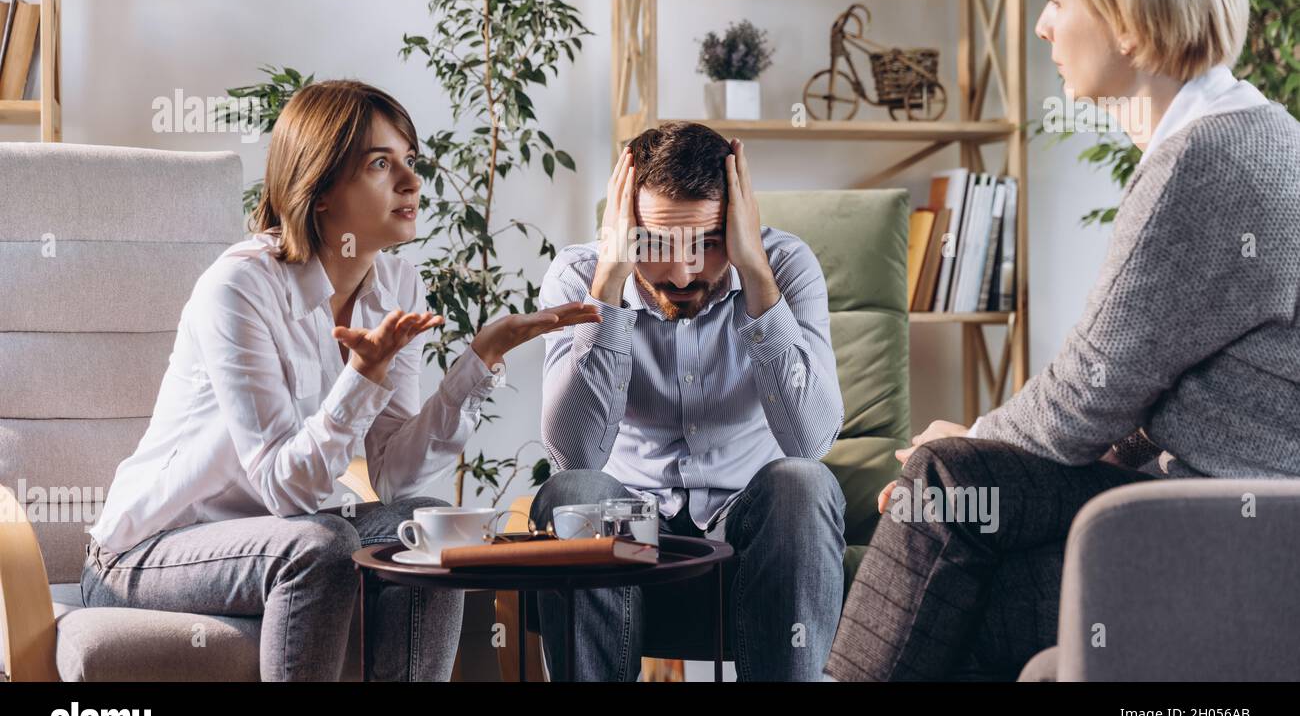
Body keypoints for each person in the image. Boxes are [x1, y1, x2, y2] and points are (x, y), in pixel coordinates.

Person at [826, 0, 1300, 681]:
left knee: (943, 498)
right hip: (1201, 515)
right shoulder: (1257, 132)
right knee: (947, 523)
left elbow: (1088, 396)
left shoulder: (1200, 163)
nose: (1043, 24)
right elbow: (1133, 388)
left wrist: (969, 437)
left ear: (1126, 22)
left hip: (1216, 541)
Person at [83, 79, 599, 681]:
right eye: (381, 164)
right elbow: (287, 492)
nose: (411, 182)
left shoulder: (399, 287)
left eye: (410, 161)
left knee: (426, 522)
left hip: (282, 538)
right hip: (152, 549)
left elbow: (389, 473)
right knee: (320, 544)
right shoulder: (241, 289)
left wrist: (478, 361)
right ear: (321, 188)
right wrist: (361, 376)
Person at [531, 121, 847, 681]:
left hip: (749, 523)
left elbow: (811, 442)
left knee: (804, 482)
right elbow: (573, 457)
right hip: (626, 528)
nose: (681, 273)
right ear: (626, 226)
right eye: (656, 243)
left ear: (738, 222)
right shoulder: (581, 274)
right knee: (574, 492)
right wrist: (608, 287)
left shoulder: (784, 267)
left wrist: (755, 276)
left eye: (705, 242)